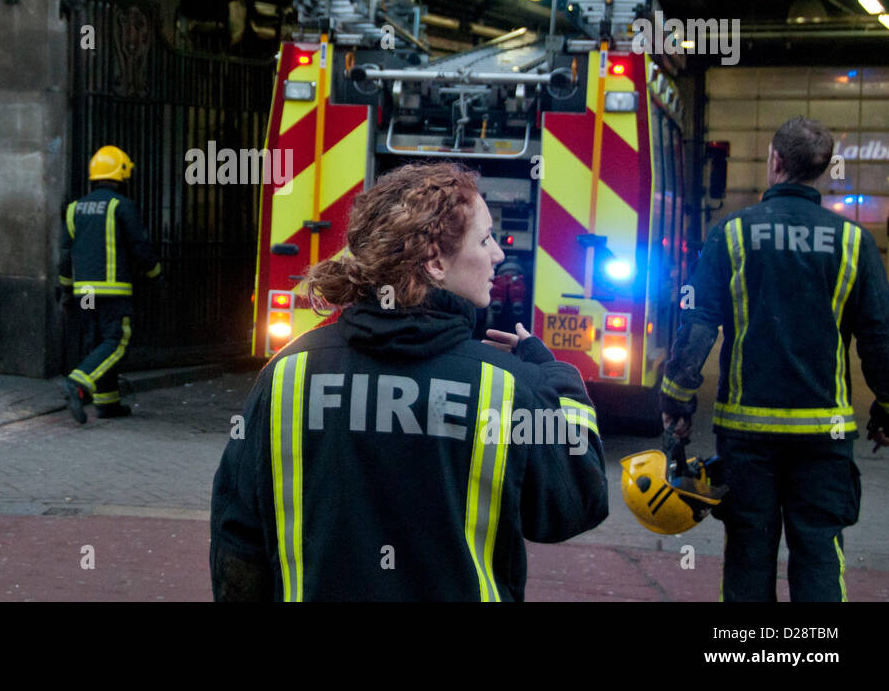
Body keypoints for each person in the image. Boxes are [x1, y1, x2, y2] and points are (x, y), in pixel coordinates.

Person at [209, 162, 608, 601]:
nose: (498, 254)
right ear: (435, 261)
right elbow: (577, 503)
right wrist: (558, 379)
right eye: (486, 238)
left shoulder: (289, 372)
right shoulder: (505, 388)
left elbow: (239, 541)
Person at [660, 116, 889, 602]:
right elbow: (879, 338)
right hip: (823, 438)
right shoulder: (855, 243)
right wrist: (886, 409)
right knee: (821, 550)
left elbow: (700, 322)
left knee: (747, 550)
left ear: (775, 162)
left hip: (748, 438)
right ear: (823, 171)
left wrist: (677, 399)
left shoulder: (732, 234)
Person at [56, 145, 161, 423]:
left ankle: (108, 402)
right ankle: (78, 383)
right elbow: (139, 246)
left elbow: (65, 255)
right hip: (113, 291)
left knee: (97, 342)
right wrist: (155, 272)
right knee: (116, 341)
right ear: (122, 173)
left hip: (84, 293)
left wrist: (66, 289)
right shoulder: (121, 206)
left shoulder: (74, 209)